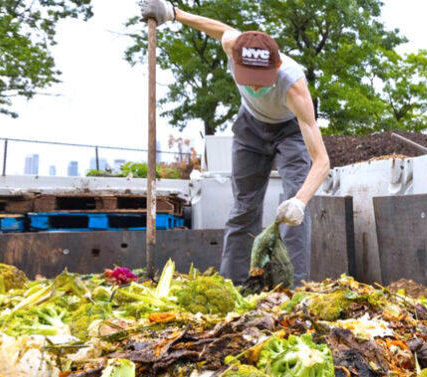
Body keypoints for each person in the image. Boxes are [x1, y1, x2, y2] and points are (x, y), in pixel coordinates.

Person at [140, 1, 330, 284]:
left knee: (293, 208)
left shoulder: (293, 86)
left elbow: (322, 161)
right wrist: (174, 13)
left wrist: (300, 202)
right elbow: (220, 30)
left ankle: (293, 287)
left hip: (289, 131)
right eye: (248, 80)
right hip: (249, 128)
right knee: (243, 208)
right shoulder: (233, 45)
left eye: (260, 81)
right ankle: (235, 284)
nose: (254, 87)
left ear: (276, 66)